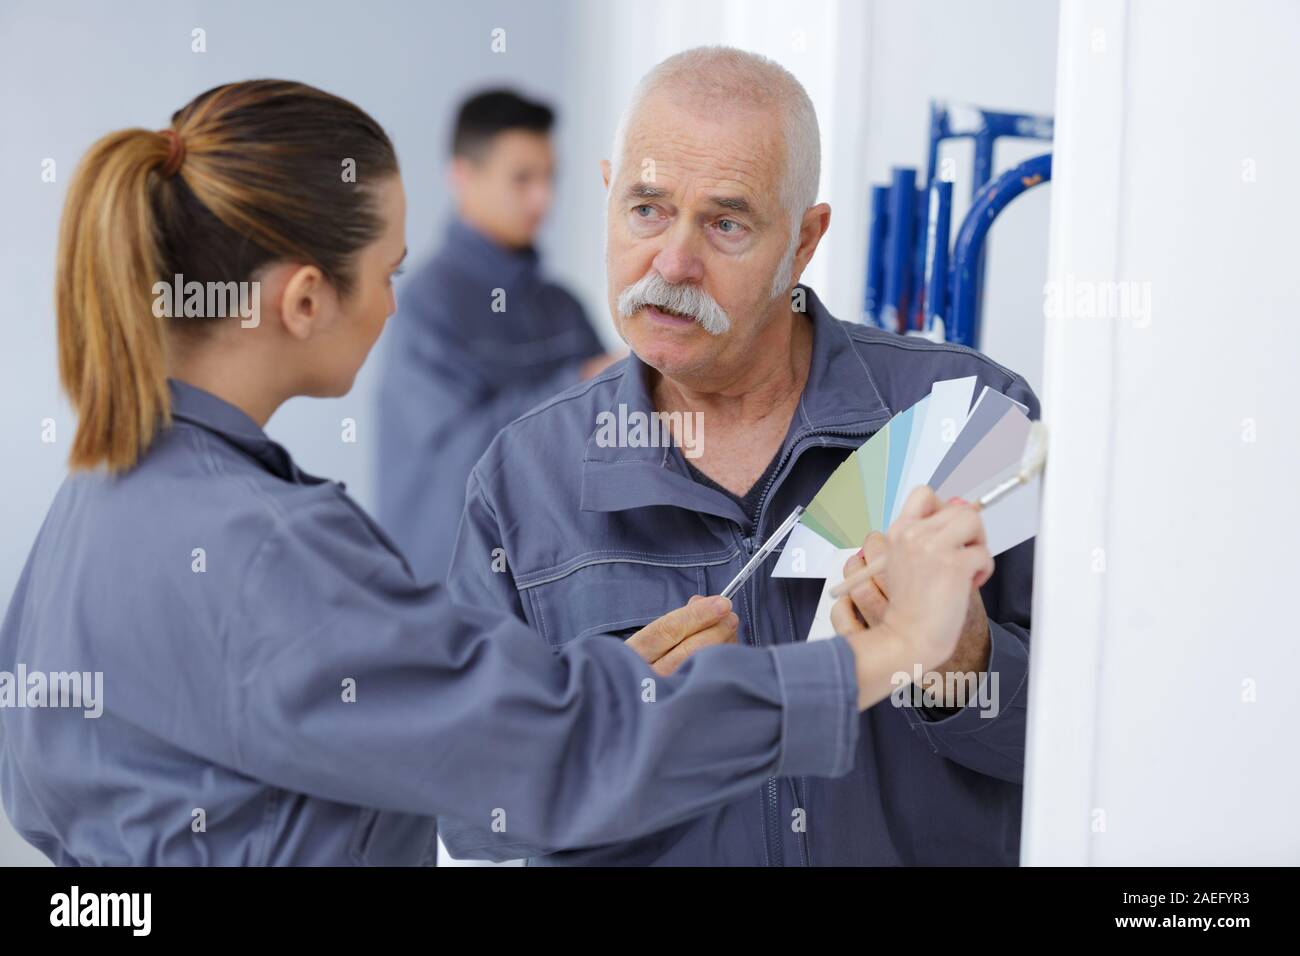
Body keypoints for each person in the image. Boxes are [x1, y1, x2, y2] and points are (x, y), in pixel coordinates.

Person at [0, 79, 994, 866]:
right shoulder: (304, 539)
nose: (395, 307)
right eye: (387, 274)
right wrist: (886, 649)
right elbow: (519, 773)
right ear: (305, 299)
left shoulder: (94, 501)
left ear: (803, 238)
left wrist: (606, 687)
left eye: (727, 222)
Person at [443, 47, 1037, 866]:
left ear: (803, 242)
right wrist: (595, 731)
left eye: (727, 223)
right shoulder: (522, 480)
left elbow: (1090, 754)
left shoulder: (967, 419)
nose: (673, 263)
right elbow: (471, 821)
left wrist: (962, 667)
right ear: (611, 192)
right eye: (647, 209)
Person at [376, 89, 621, 582]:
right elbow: (460, 458)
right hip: (451, 605)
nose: (542, 198)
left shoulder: (562, 307)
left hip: (553, 594)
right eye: (522, 179)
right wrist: (582, 383)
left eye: (550, 178)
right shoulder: (427, 305)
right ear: (463, 177)